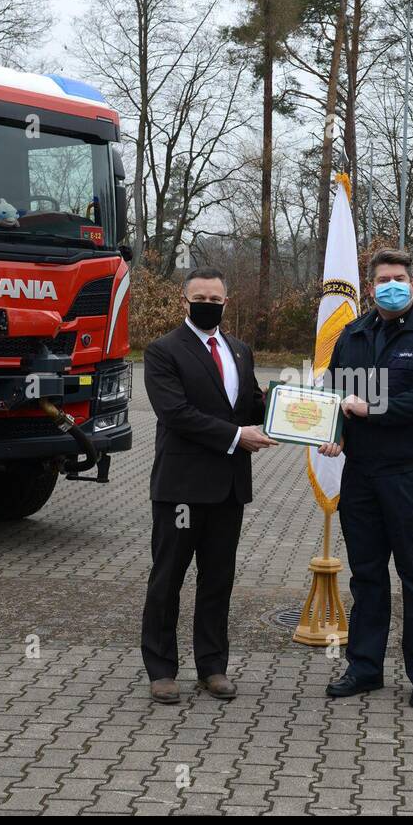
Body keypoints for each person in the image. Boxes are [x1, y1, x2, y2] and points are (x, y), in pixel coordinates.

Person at [319, 248, 413, 708]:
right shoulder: (352, 335)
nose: (390, 285)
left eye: (399, 277)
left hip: (408, 475)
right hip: (359, 474)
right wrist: (333, 431)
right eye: (382, 279)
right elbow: (333, 393)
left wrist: (371, 409)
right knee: (367, 575)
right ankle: (364, 667)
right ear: (371, 285)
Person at [141, 267, 275, 704]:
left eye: (216, 300)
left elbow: (251, 403)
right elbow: (176, 414)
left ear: (225, 304)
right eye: (200, 297)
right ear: (185, 300)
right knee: (168, 580)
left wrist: (295, 405)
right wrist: (238, 437)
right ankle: (161, 670)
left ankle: (212, 667)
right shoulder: (163, 351)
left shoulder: (239, 350)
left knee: (218, 580)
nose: (208, 305)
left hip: (228, 489)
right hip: (181, 489)